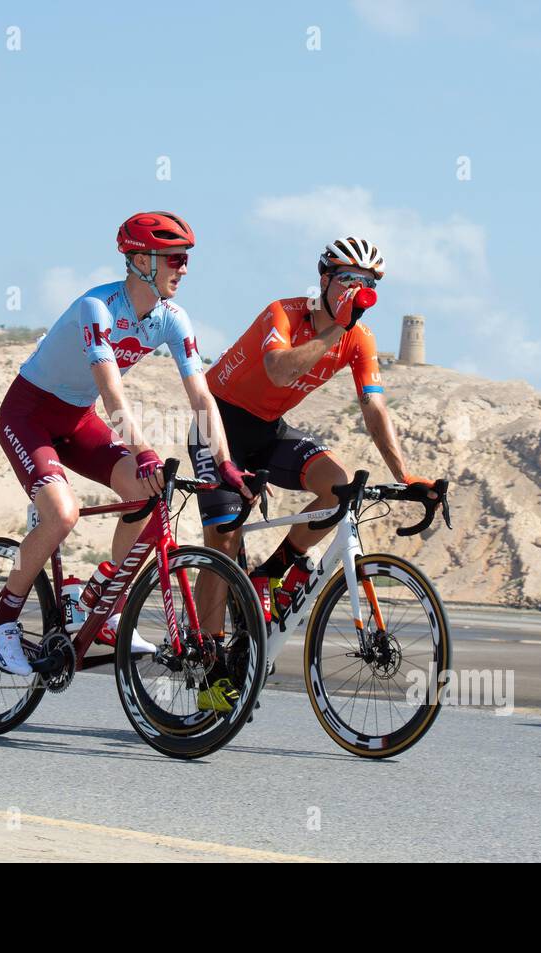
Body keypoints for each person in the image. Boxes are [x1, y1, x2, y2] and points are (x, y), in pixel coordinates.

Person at [0, 211, 251, 675]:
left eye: (185, 259)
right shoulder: (98, 307)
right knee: (62, 514)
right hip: (29, 415)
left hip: (76, 419)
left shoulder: (172, 319)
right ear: (141, 260)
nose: (183, 269)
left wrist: (225, 462)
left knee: (144, 491)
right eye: (175, 259)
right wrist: (142, 448)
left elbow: (201, 394)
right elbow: (111, 391)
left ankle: (102, 597)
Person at [188, 237, 435, 705]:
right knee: (223, 542)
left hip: (267, 430)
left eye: (367, 283)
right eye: (348, 280)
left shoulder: (359, 339)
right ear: (324, 280)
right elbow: (279, 371)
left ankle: (271, 574)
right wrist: (333, 330)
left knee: (340, 488)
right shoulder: (283, 313)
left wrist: (405, 476)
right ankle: (209, 667)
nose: (357, 290)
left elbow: (374, 408)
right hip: (216, 425)